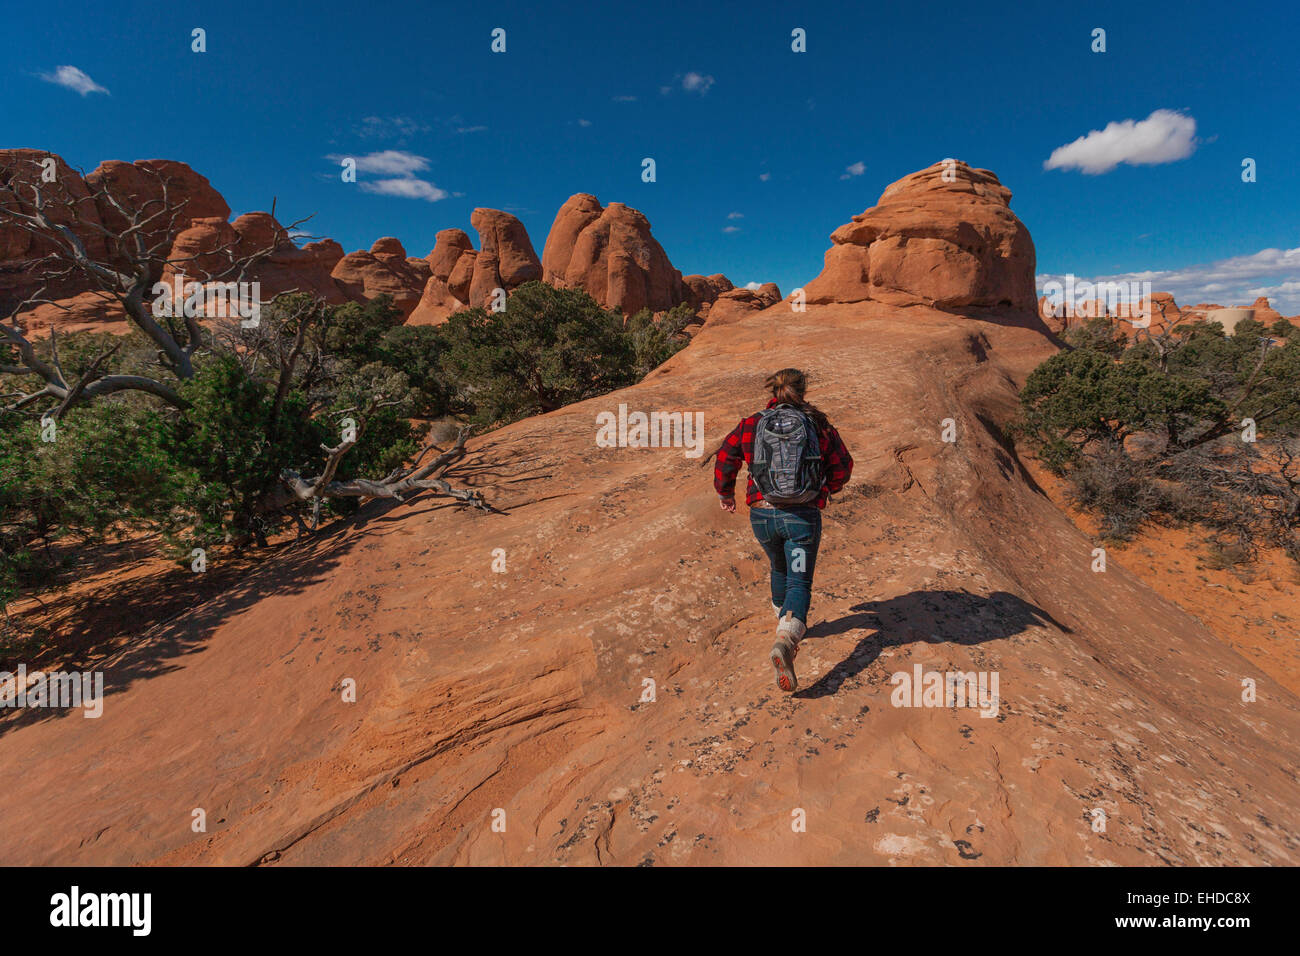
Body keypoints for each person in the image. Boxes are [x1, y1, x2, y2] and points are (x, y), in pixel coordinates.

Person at [714, 368, 853, 693]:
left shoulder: (752, 422)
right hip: (801, 518)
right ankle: (787, 639)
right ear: (802, 392)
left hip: (763, 516)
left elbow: (726, 454)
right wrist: (828, 488)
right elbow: (843, 466)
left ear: (773, 391)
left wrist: (725, 492)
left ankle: (784, 618)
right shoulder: (818, 424)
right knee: (799, 578)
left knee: (778, 565)